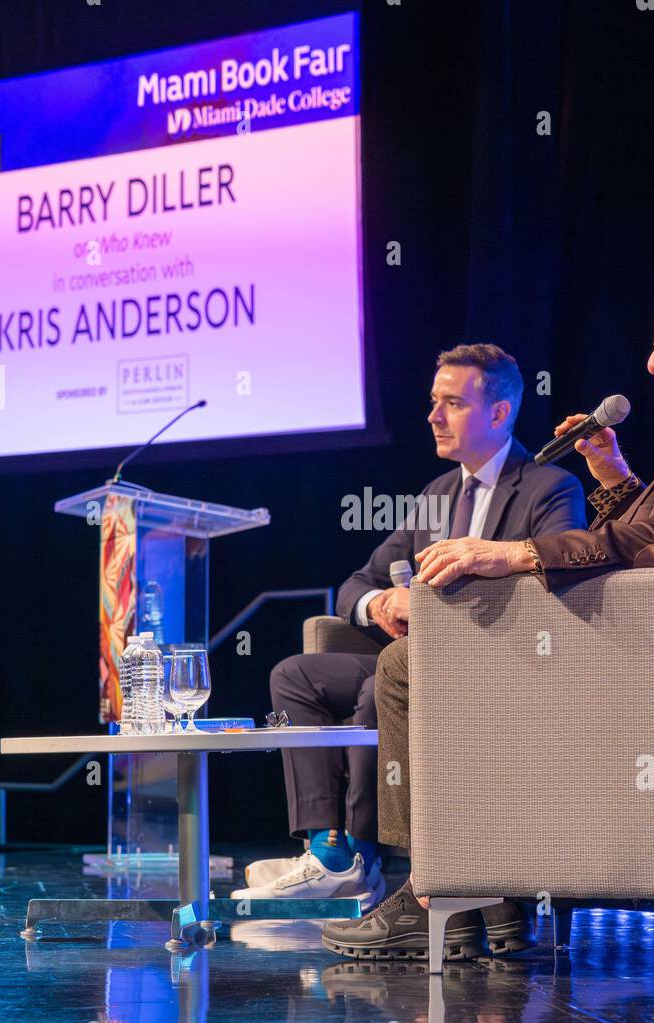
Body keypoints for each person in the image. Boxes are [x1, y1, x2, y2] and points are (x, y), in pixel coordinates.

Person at [321, 280, 654, 959]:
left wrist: (514, 552)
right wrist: (615, 476)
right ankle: (485, 896)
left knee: (409, 663)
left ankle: (436, 893)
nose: (652, 362)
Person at [234, 344, 586, 908]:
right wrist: (379, 604)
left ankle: (358, 854)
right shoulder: (436, 495)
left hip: (497, 665)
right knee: (295, 675)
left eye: (452, 403)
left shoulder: (550, 487)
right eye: (432, 402)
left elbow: (554, 581)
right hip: (416, 662)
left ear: (499, 413)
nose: (433, 416)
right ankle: (329, 846)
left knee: (384, 682)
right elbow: (355, 583)